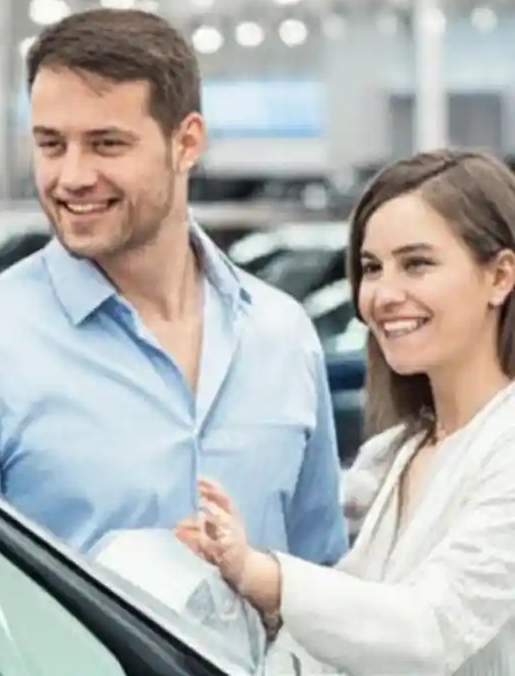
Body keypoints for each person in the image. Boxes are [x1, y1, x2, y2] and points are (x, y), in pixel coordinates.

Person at [0, 7, 348, 563]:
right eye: (51, 144)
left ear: (187, 143)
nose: (72, 177)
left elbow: (319, 573)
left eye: (106, 144)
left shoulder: (282, 333)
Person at [191, 149, 515, 675]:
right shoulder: (392, 455)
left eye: (417, 264)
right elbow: (344, 634)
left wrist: (263, 574)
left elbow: (430, 631)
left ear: (500, 277)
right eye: (371, 268)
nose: (383, 295)